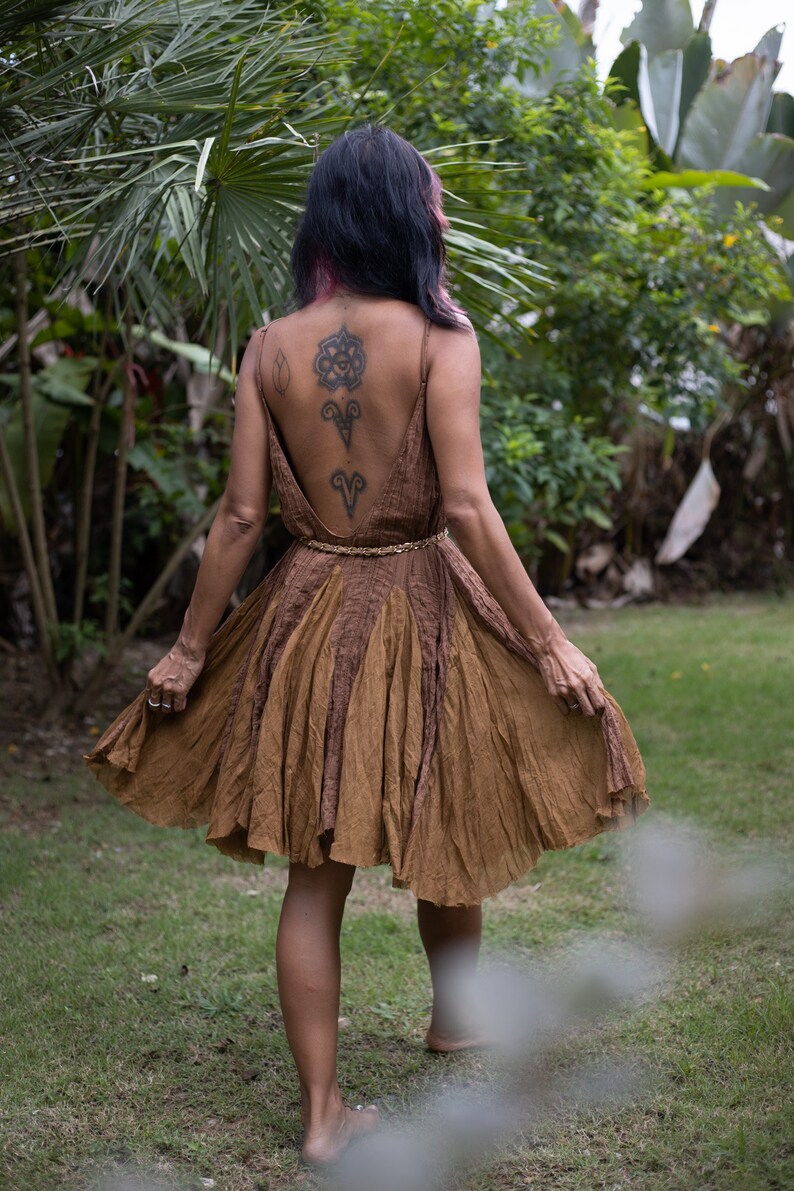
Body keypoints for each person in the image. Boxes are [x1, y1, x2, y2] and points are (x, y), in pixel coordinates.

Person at [87, 125, 648, 1167]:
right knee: (451, 799)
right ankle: (452, 1016)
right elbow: (467, 508)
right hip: (424, 596)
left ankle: (325, 1111)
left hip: (306, 610)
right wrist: (549, 643)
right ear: (400, 215)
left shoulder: (268, 345)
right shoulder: (439, 336)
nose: (441, 213)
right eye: (432, 199)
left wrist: (189, 649)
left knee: (316, 869)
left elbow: (240, 517)